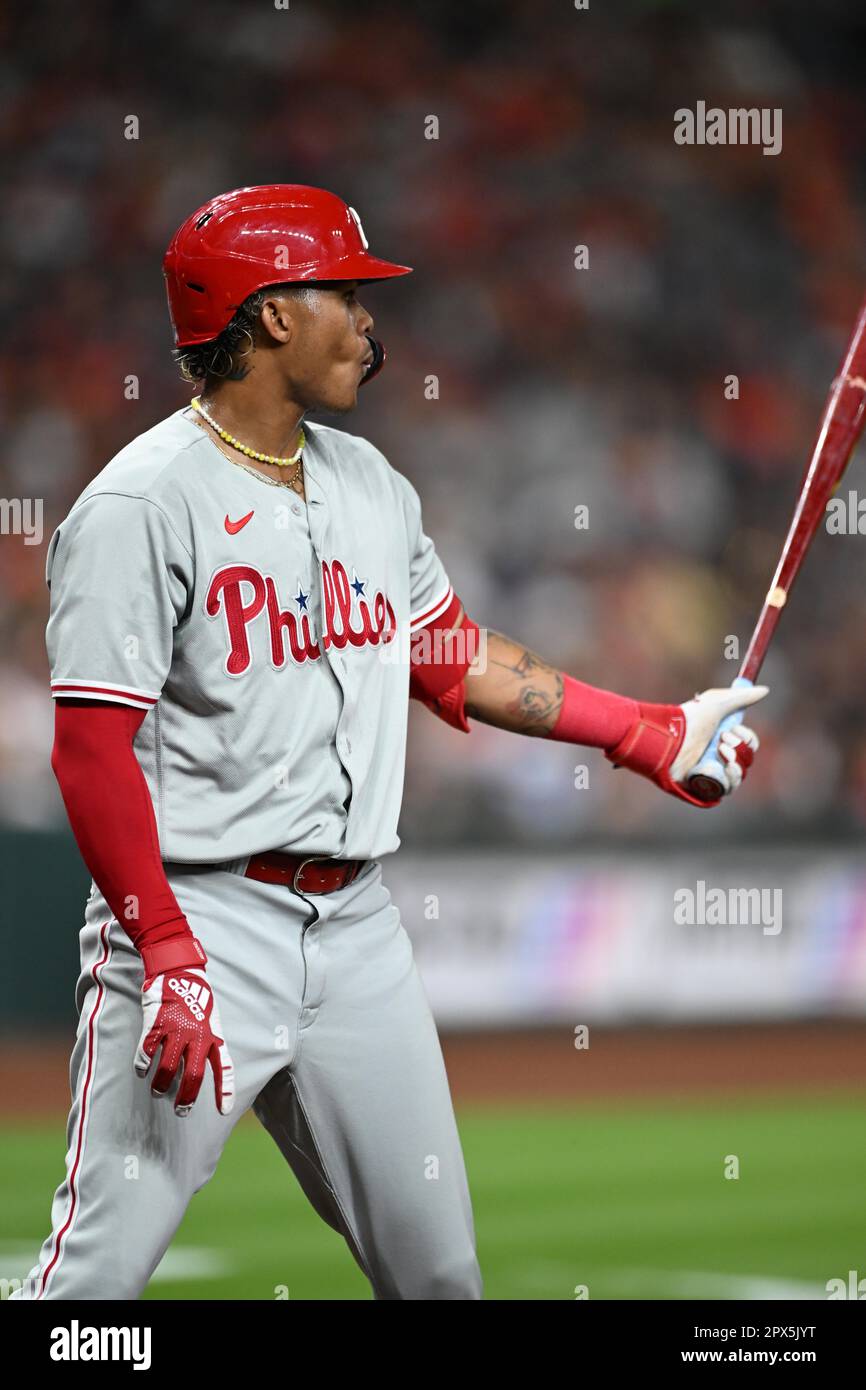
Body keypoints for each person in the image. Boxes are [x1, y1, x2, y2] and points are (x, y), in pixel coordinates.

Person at [15, 185, 765, 1302]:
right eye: (348, 295)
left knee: (440, 1279)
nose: (371, 323)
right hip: (197, 925)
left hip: (357, 929)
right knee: (91, 1285)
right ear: (270, 316)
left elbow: (449, 658)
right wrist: (166, 950)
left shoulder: (371, 483)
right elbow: (89, 751)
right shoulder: (139, 502)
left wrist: (644, 731)